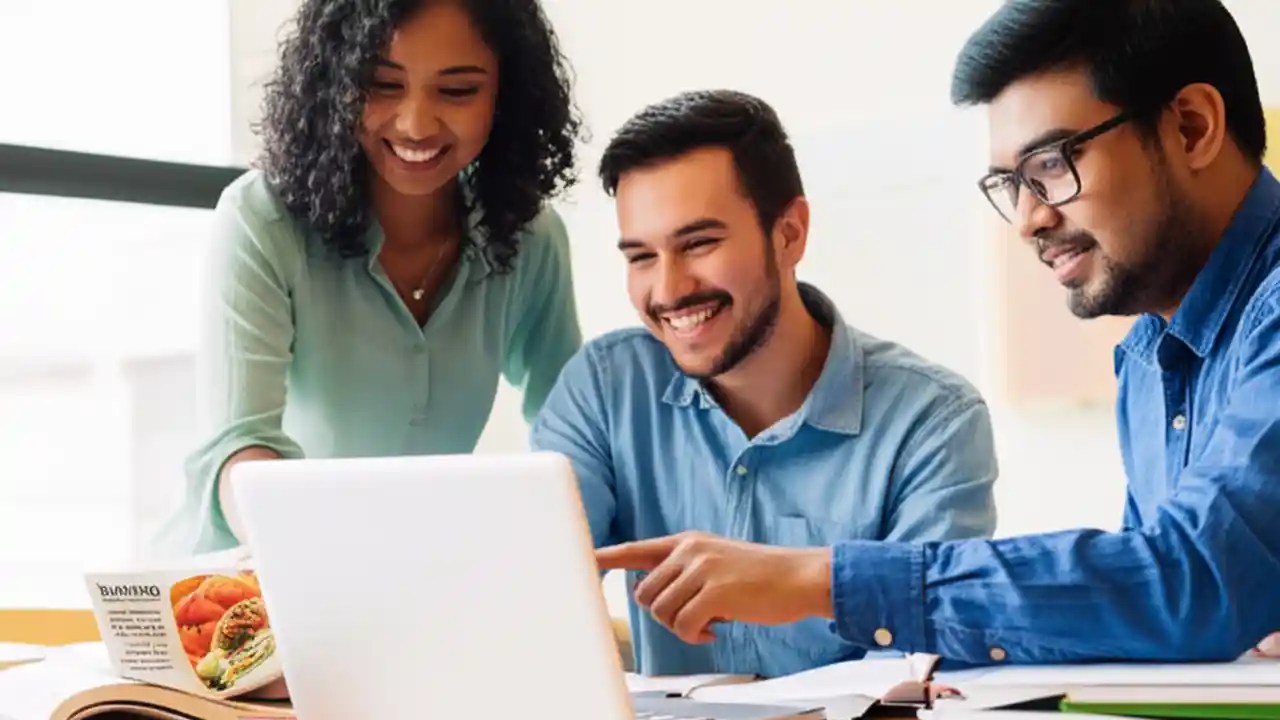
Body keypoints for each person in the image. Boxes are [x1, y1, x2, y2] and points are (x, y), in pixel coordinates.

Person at [594, 0, 1280, 665]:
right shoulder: (1149, 358)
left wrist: (819, 580)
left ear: (1191, 127)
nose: (1028, 220)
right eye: (1011, 183)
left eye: (1051, 165)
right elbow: (1159, 617)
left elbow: (1194, 582)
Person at [531, 89, 999, 677]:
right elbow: (529, 596)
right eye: (641, 256)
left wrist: (805, 583)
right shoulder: (604, 390)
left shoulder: (932, 421)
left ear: (790, 234)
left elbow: (920, 664)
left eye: (699, 243)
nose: (670, 290)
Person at [169, 0, 585, 553]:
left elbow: (574, 432)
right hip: (256, 582)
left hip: (420, 580)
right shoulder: (262, 220)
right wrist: (314, 560)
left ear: (505, 96)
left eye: (457, 91)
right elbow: (241, 446)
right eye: (382, 85)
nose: (415, 123)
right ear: (334, 82)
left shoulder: (529, 237)